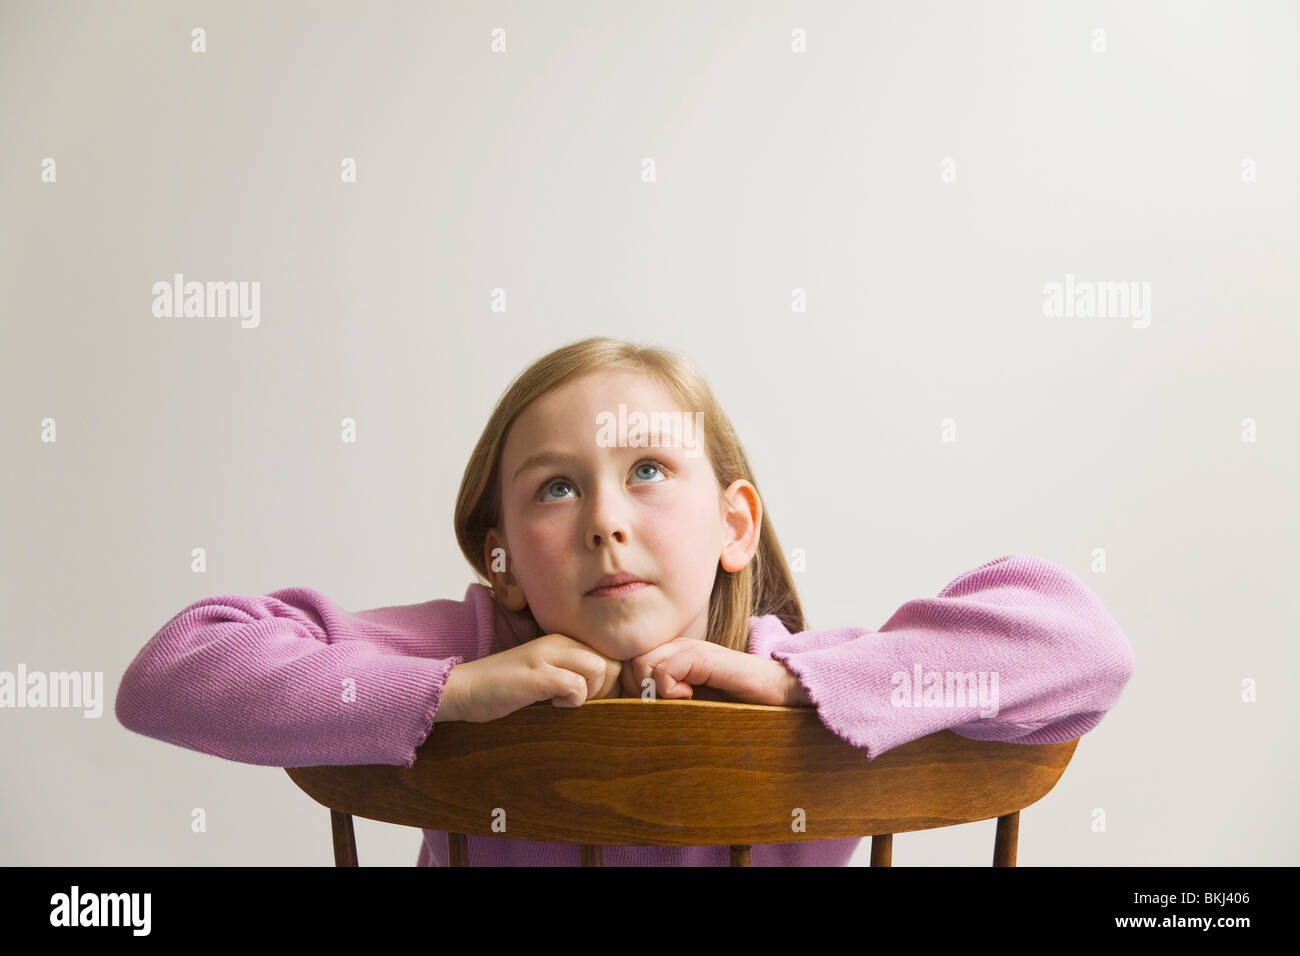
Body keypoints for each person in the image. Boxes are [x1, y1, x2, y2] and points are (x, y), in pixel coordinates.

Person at [116, 336, 1136, 865]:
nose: (604, 518)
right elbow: (174, 670)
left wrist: (806, 688)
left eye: (649, 469)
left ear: (736, 523)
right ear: (503, 555)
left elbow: (1082, 642)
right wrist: (452, 690)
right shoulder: (473, 650)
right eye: (555, 488)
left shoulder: (803, 674)